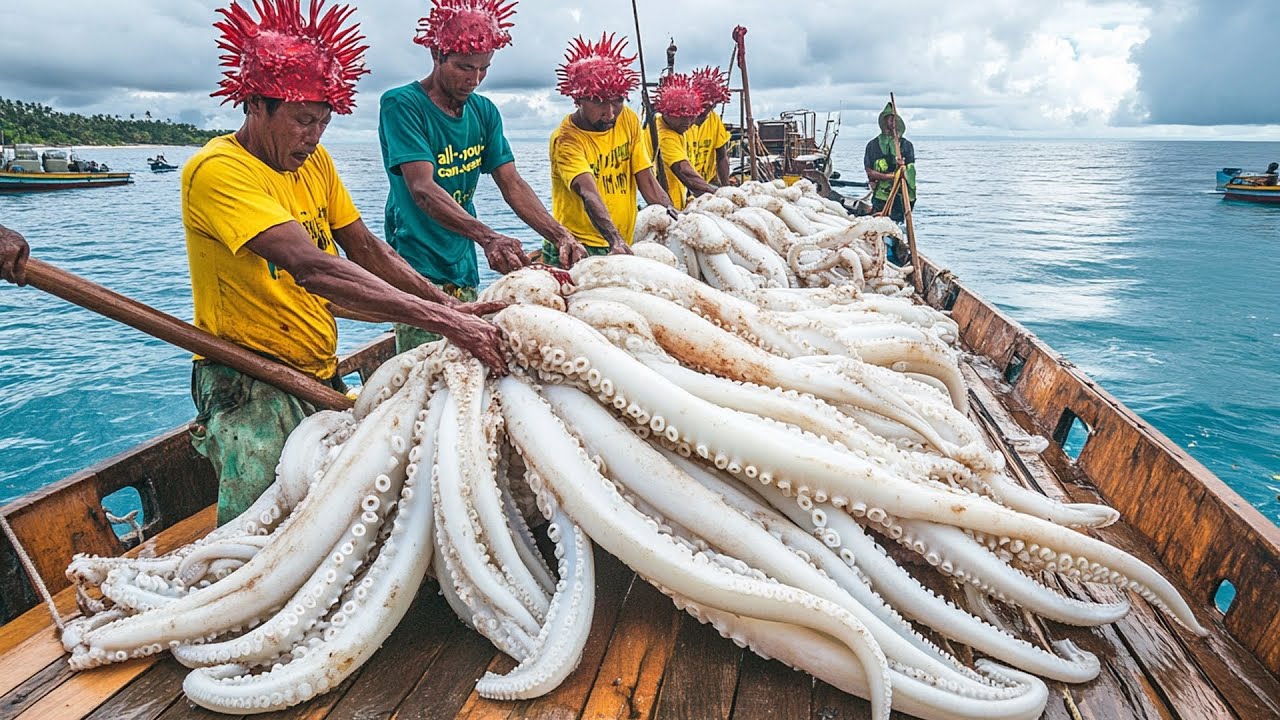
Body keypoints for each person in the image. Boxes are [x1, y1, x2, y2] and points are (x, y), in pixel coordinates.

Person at [187, 0, 506, 524]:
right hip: (247, 377)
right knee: (260, 532)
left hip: (317, 367)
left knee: (344, 513)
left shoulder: (315, 163)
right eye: (300, 121)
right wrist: (437, 317)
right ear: (255, 105)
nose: (312, 137)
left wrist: (444, 302)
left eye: (322, 123)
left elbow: (365, 249)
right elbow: (312, 267)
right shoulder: (218, 171)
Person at [379, 0, 585, 352]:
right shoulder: (402, 105)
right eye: (463, 67)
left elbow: (512, 183)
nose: (473, 79)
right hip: (416, 266)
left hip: (463, 264)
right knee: (424, 366)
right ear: (436, 54)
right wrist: (488, 238)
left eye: (483, 68)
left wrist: (560, 234)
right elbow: (422, 188)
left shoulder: (484, 111)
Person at [547, 33, 676, 265]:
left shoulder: (627, 118)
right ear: (578, 100)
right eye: (598, 102)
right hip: (581, 246)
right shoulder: (566, 140)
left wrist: (672, 215)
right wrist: (614, 239)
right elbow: (588, 193)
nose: (610, 112)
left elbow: (645, 178)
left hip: (622, 240)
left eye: (617, 100)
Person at [645, 72, 717, 210]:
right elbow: (685, 173)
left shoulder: (677, 129)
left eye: (691, 118)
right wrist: (718, 194)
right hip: (664, 207)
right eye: (682, 118)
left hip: (678, 202)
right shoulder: (664, 135)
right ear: (666, 113)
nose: (688, 123)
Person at [864, 101, 916, 223]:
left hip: (900, 195)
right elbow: (869, 171)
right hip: (881, 195)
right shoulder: (873, 145)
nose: (892, 123)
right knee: (879, 221)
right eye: (889, 119)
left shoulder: (906, 145)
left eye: (894, 119)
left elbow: (910, 171)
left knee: (898, 222)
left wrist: (902, 169)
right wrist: (890, 177)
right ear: (884, 121)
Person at [688, 65, 732, 186]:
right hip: (683, 186)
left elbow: (721, 156)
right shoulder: (680, 123)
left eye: (711, 107)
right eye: (702, 109)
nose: (706, 112)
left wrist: (726, 187)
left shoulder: (714, 119)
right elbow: (681, 169)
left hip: (706, 183)